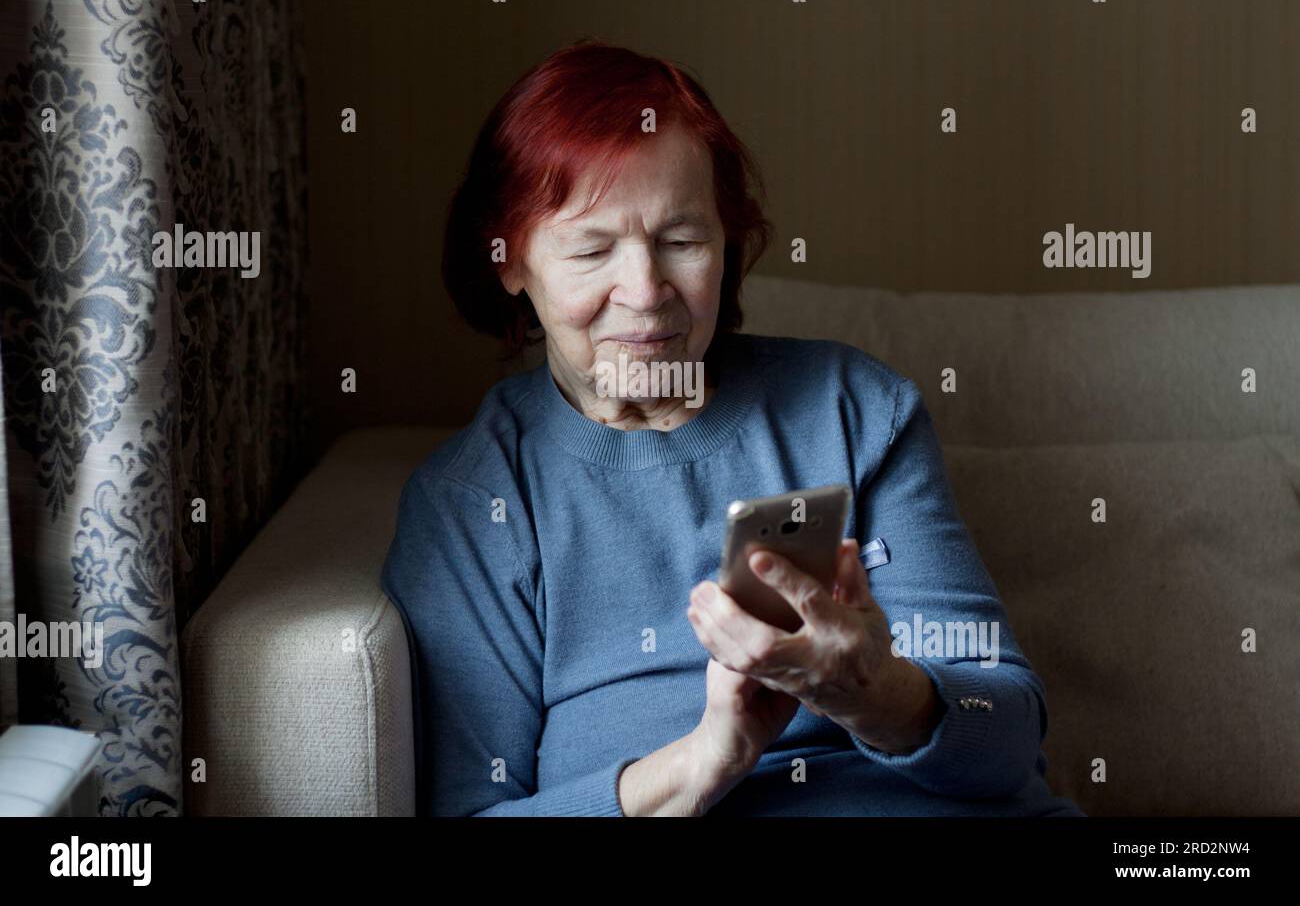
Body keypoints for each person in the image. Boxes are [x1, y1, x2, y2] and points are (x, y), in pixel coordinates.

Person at [380, 40, 1083, 817]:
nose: (646, 293)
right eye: (591, 249)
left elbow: (1010, 738)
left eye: (683, 241)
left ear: (729, 243)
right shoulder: (478, 501)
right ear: (510, 262)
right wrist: (706, 760)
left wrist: (873, 693)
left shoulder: (852, 408)